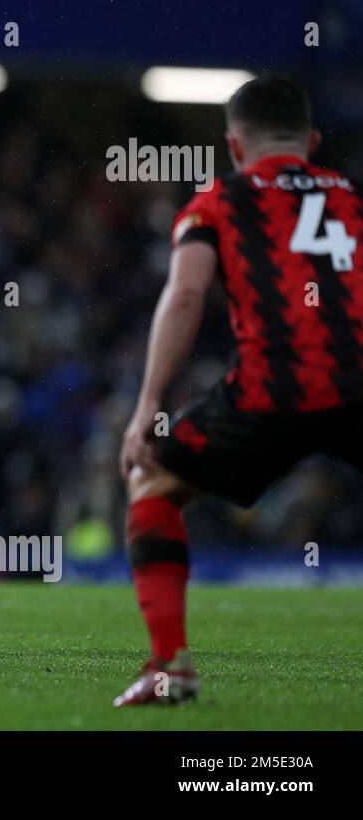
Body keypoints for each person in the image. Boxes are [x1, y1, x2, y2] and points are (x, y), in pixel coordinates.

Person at [117, 74, 363, 705]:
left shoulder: (217, 201)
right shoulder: (354, 200)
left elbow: (186, 294)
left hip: (272, 389)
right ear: (311, 141)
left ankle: (170, 667)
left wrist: (148, 408)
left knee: (153, 484)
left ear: (233, 146)